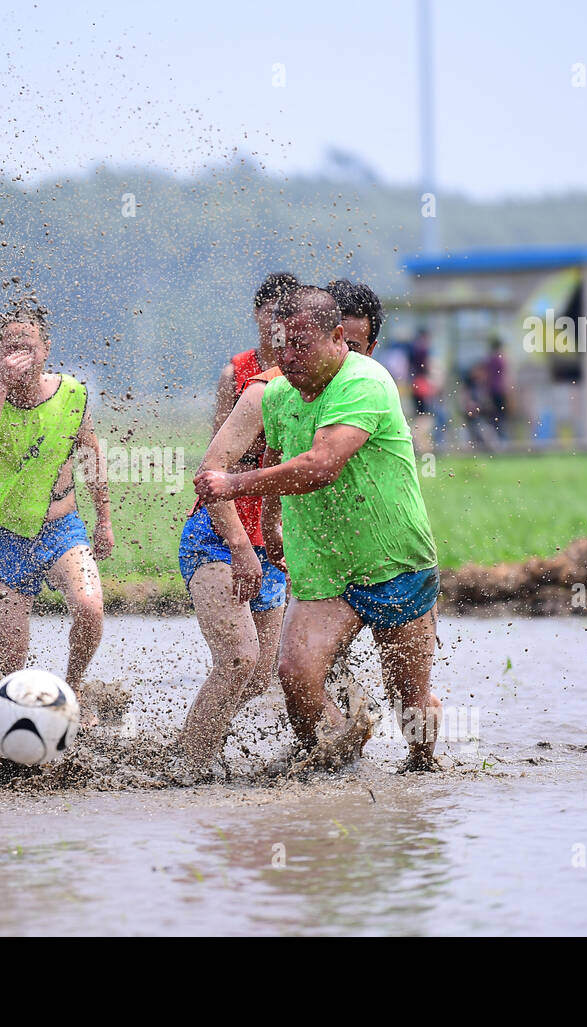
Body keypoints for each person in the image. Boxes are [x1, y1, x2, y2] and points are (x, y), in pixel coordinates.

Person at [195, 287, 443, 772]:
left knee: (409, 696)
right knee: (296, 676)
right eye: (281, 344)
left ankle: (421, 767)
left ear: (337, 339)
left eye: (301, 346)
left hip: (394, 561)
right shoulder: (279, 393)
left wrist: (233, 485)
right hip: (324, 566)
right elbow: (277, 451)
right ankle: (337, 766)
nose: (288, 357)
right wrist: (268, 522)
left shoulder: (365, 380)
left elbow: (321, 464)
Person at [0, 307, 112, 722]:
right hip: (7, 533)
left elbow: (91, 454)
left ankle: (74, 688)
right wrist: (1, 387)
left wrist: (105, 519)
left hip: (63, 526)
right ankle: (19, 720)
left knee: (90, 606)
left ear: (46, 349)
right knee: (11, 656)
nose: (20, 355)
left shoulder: (72, 394)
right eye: (11, 348)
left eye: (28, 346)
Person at [174, 273, 297, 770]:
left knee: (260, 675)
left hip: (274, 545)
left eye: (292, 317)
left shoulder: (315, 381)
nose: (281, 326)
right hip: (221, 533)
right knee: (238, 658)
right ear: (258, 316)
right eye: (273, 314)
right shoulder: (240, 376)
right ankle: (190, 766)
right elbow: (218, 464)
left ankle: (196, 740)